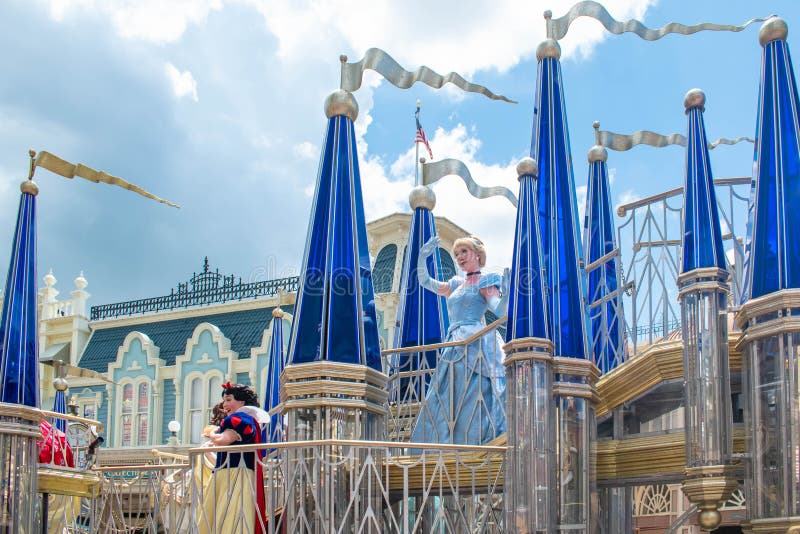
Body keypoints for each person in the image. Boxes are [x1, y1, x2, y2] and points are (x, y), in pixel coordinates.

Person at [411, 235, 509, 445]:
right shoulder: (456, 283)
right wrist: (421, 258)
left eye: (464, 251)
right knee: (446, 395)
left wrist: (507, 295)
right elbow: (425, 282)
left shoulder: (486, 281)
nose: (459, 257)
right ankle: (444, 445)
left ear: (477, 254)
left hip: (476, 342)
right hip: (454, 343)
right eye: (456, 254)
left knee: (473, 392)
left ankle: (474, 443)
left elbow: (500, 312)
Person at [199, 383, 269, 534]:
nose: (224, 405)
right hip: (230, 474)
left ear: (242, 402)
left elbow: (222, 440)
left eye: (228, 400)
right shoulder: (249, 421)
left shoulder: (240, 419)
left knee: (231, 519)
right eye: (224, 401)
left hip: (235, 477)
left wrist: (213, 433)